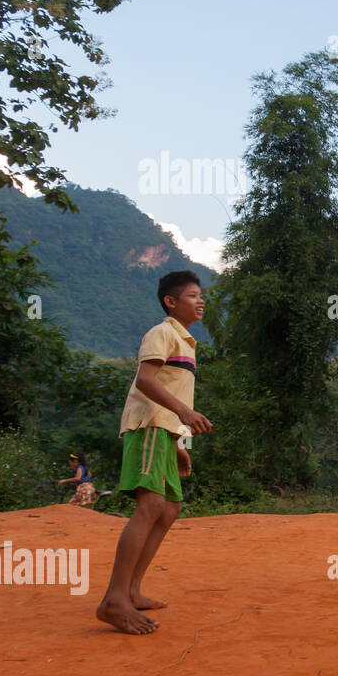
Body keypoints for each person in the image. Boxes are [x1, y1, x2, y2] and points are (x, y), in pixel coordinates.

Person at [95, 271, 212, 635]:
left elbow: (165, 385)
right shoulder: (162, 333)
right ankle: (114, 598)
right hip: (147, 427)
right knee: (150, 506)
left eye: (201, 295)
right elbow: (145, 381)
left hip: (163, 433)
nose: (200, 300)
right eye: (193, 295)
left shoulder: (186, 342)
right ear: (171, 302)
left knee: (170, 507)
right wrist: (184, 414)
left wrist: (177, 443)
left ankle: (131, 590)